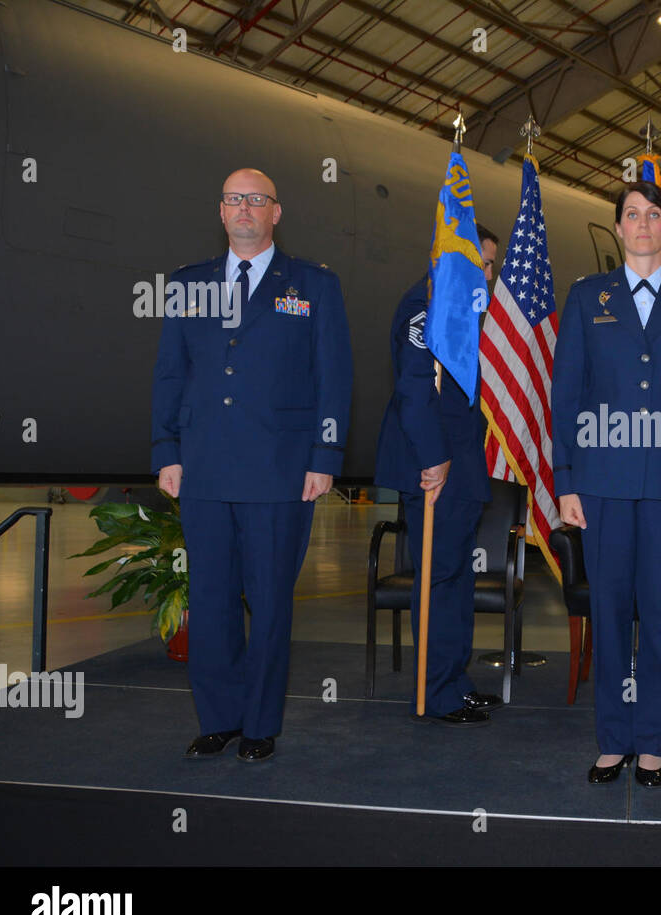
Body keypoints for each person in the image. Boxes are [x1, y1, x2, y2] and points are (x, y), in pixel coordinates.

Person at [151, 167, 353, 761]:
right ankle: (219, 717)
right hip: (205, 469)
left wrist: (326, 456)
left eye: (256, 200)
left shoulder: (314, 285)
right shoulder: (189, 285)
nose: (244, 209)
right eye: (234, 199)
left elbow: (333, 379)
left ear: (275, 213)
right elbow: (171, 374)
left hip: (280, 471)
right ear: (220, 212)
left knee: (268, 602)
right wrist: (167, 451)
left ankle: (260, 723)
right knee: (211, 600)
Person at [551, 181, 661, 787]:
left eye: (655, 214)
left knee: (658, 614)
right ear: (619, 230)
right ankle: (612, 739)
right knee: (608, 611)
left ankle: (650, 742)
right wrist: (565, 479)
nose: (644, 224)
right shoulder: (585, 298)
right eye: (632, 215)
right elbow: (566, 393)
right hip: (601, 482)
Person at [372, 226, 499, 726]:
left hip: (460, 466)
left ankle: (454, 680)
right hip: (436, 469)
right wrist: (433, 459)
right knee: (440, 580)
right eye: (483, 264)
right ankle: (435, 692)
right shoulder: (424, 307)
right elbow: (413, 389)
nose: (489, 275)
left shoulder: (463, 308)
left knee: (456, 579)